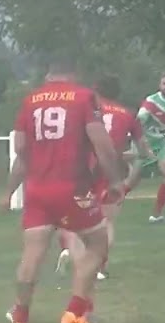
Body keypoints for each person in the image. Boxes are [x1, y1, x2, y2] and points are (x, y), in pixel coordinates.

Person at [1, 55, 124, 323]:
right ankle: (75, 312)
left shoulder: (31, 100)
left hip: (37, 189)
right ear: (73, 73)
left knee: (32, 253)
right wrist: (115, 181)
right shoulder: (83, 97)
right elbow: (102, 145)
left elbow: (21, 149)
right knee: (98, 242)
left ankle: (20, 322)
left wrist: (8, 192)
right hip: (73, 187)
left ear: (48, 75)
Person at [57, 75, 153, 280]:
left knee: (74, 218)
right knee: (106, 222)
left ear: (96, 90)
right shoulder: (128, 115)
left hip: (83, 168)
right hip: (111, 169)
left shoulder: (86, 110)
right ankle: (100, 267)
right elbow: (144, 149)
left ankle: (71, 253)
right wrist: (133, 157)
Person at [135, 75, 165, 223]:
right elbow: (138, 122)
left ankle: (156, 215)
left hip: (160, 143)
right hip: (144, 142)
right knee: (130, 182)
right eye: (164, 83)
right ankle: (104, 207)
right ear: (159, 85)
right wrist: (143, 143)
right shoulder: (151, 101)